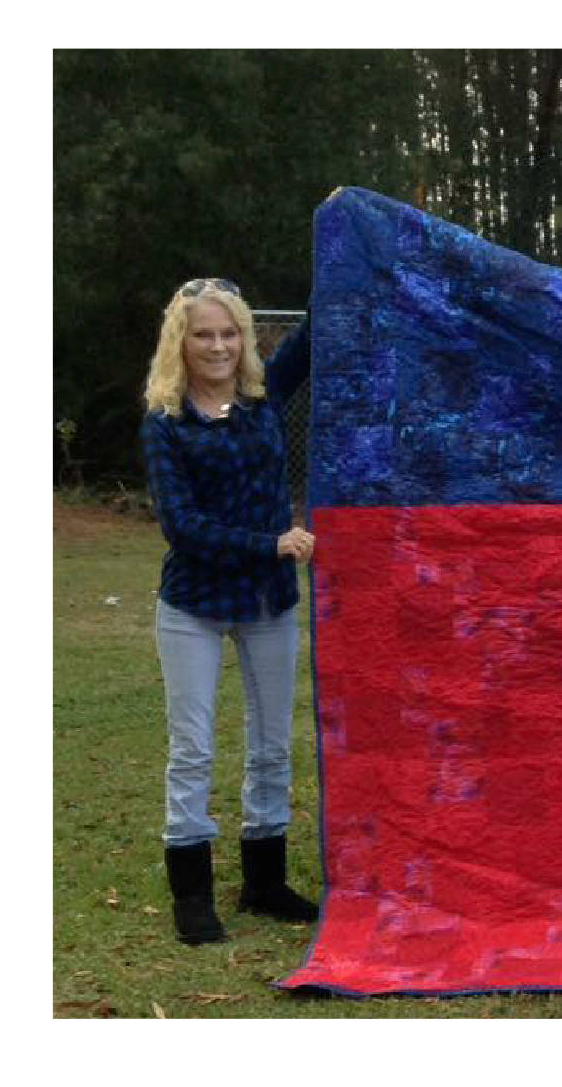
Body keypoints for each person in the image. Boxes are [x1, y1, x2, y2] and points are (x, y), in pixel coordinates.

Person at [141, 278, 318, 944]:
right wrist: (269, 542)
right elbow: (183, 527)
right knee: (193, 750)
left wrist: (339, 231)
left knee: (272, 746)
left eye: (228, 332)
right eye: (202, 333)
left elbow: (316, 329)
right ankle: (192, 894)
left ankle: (264, 882)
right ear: (179, 342)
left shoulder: (263, 398)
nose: (217, 345)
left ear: (244, 337)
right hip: (194, 604)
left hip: (268, 602)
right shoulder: (164, 421)